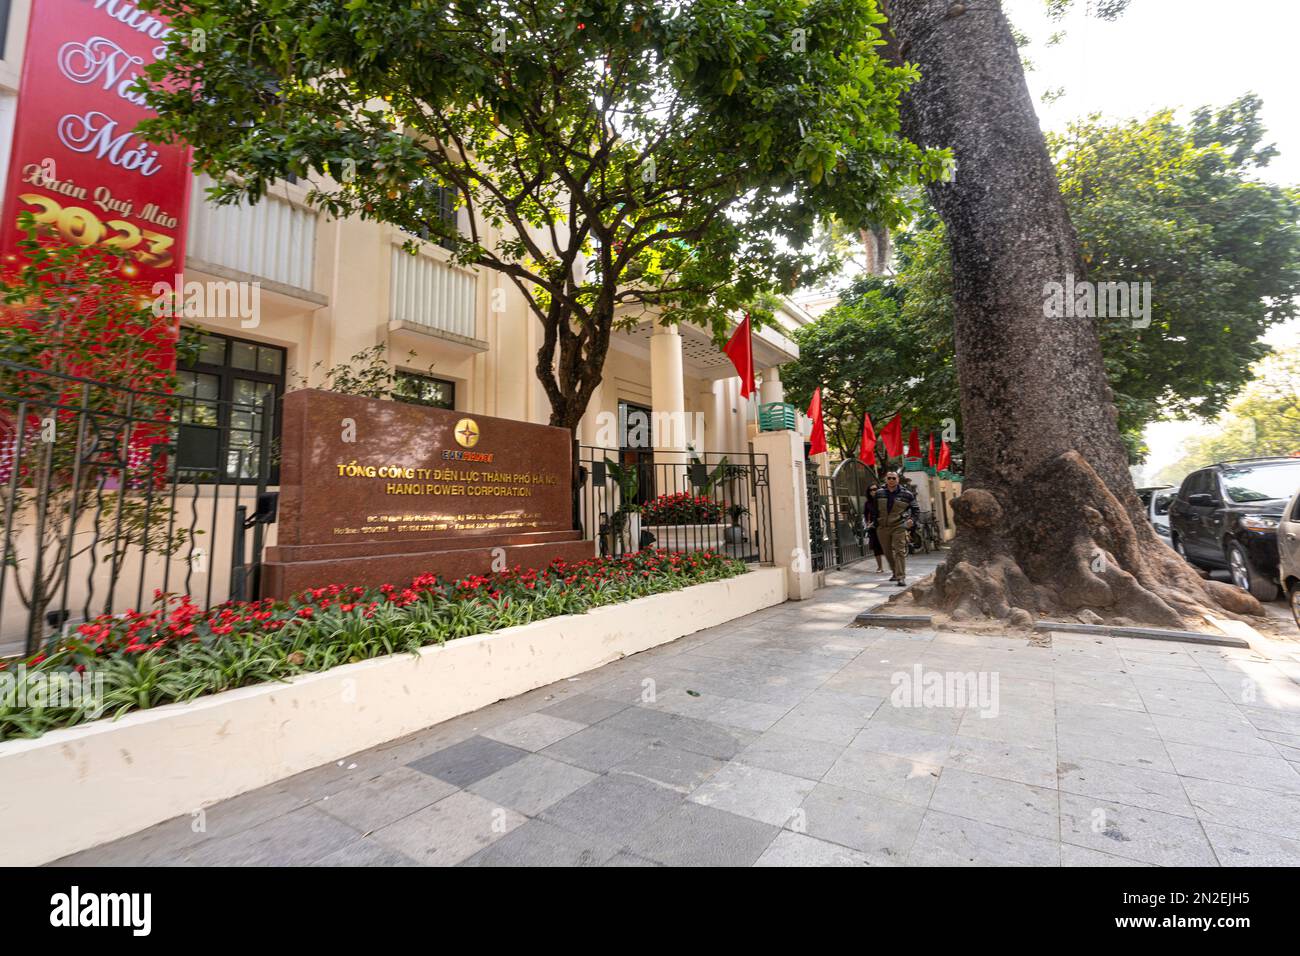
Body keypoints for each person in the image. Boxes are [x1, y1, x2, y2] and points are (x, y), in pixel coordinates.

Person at [873, 471, 918, 585]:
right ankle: (895, 572)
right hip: (882, 527)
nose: (891, 480)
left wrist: (912, 519)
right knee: (887, 552)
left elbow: (915, 509)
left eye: (894, 478)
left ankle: (901, 577)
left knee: (899, 551)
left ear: (898, 479)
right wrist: (875, 522)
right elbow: (874, 509)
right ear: (886, 479)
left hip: (898, 526)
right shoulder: (879, 493)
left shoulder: (907, 494)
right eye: (889, 478)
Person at [864, 484, 886, 573]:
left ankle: (894, 565)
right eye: (871, 489)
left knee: (887, 546)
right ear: (869, 492)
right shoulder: (867, 503)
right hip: (873, 528)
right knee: (876, 547)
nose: (874, 491)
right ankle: (880, 567)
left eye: (876, 489)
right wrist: (868, 523)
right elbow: (866, 514)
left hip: (883, 525)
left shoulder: (882, 501)